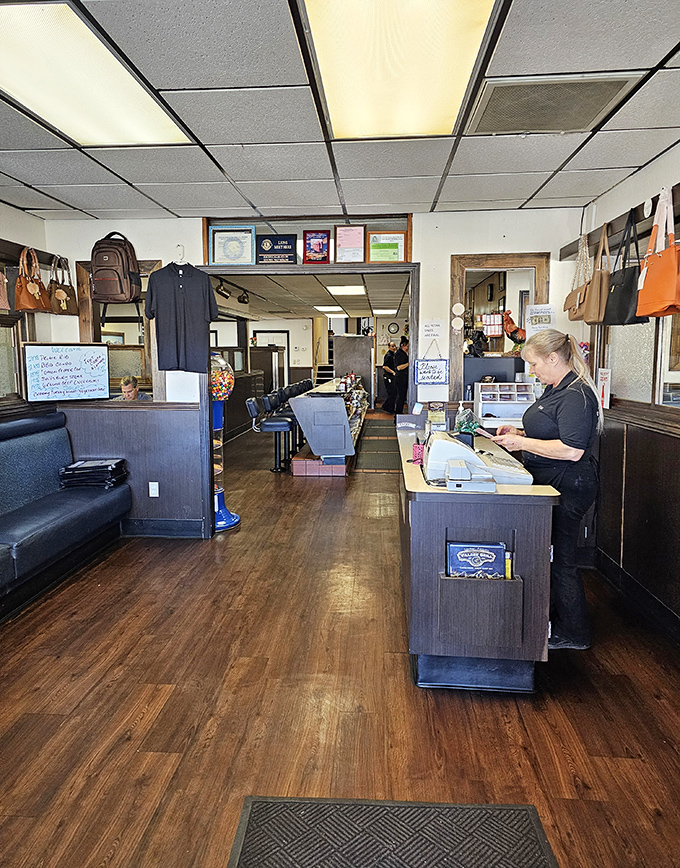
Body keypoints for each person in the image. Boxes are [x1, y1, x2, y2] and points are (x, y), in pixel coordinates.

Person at [492, 330, 603, 651]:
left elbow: (572, 450)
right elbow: (551, 431)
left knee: (563, 557)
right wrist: (520, 431)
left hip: (569, 483)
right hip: (549, 479)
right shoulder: (556, 389)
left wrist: (521, 443)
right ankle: (554, 619)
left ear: (554, 358)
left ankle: (575, 633)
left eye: (535, 363)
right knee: (551, 553)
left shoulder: (576, 395)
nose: (533, 370)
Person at [393, 336, 409, 416]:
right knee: (400, 397)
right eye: (407, 346)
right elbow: (399, 367)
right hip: (400, 379)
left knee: (402, 397)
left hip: (403, 378)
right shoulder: (399, 354)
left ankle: (399, 413)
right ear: (403, 345)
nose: (408, 348)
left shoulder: (403, 354)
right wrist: (408, 363)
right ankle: (398, 414)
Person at [381, 341, 398, 413]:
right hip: (388, 377)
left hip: (392, 377)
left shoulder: (393, 355)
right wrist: (393, 372)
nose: (394, 348)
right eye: (392, 346)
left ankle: (387, 407)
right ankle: (388, 408)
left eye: (394, 346)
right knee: (392, 393)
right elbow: (385, 367)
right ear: (389, 347)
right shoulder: (388, 355)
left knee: (393, 393)